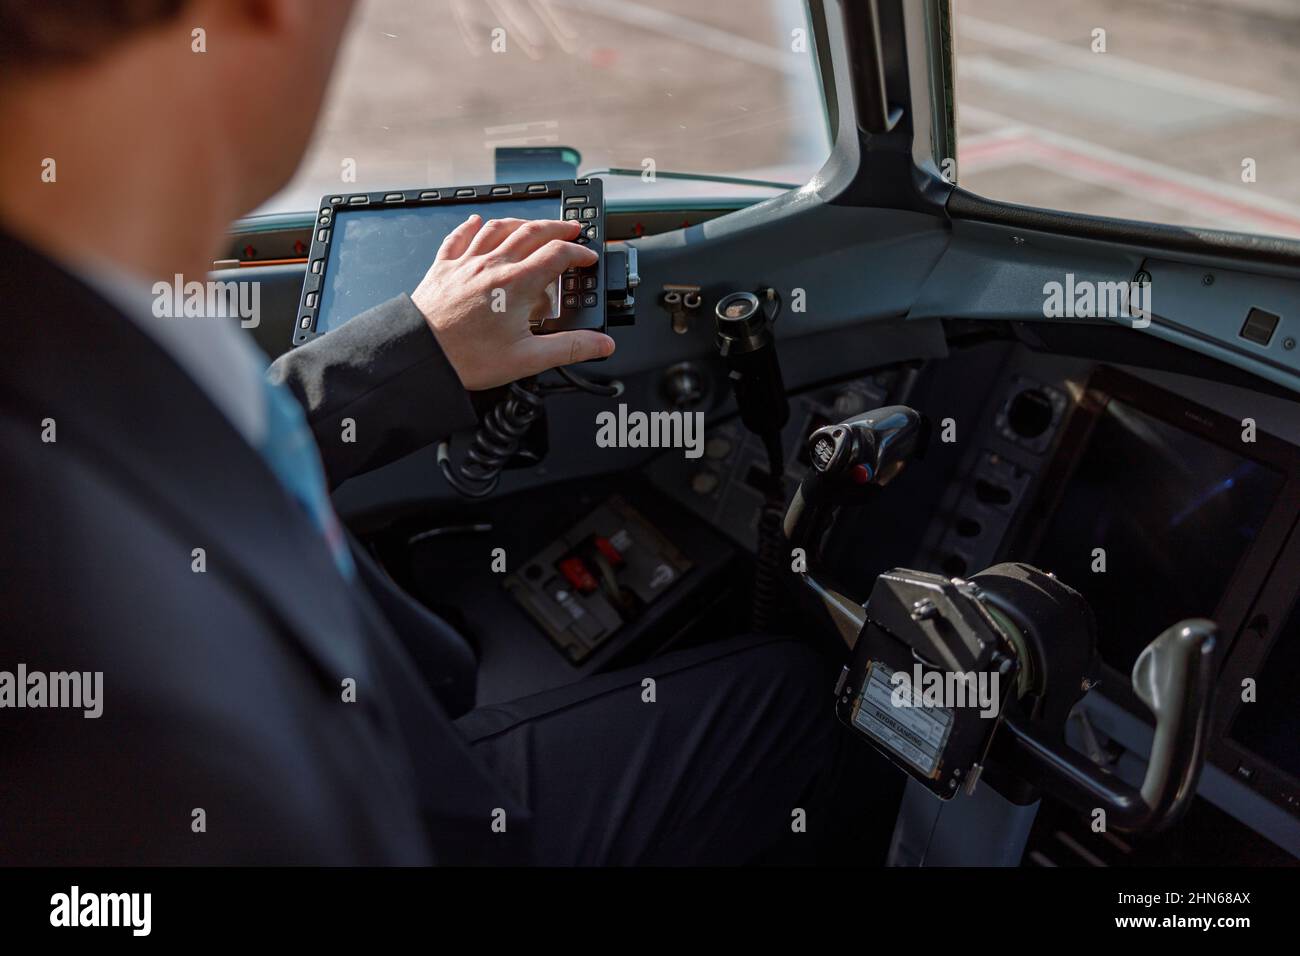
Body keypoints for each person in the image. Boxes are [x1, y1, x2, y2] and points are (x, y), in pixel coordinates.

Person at [0, 0, 838, 864]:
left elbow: (203, 452)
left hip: (401, 726)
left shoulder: (93, 333)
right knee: (790, 690)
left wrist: (415, 353)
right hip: (405, 813)